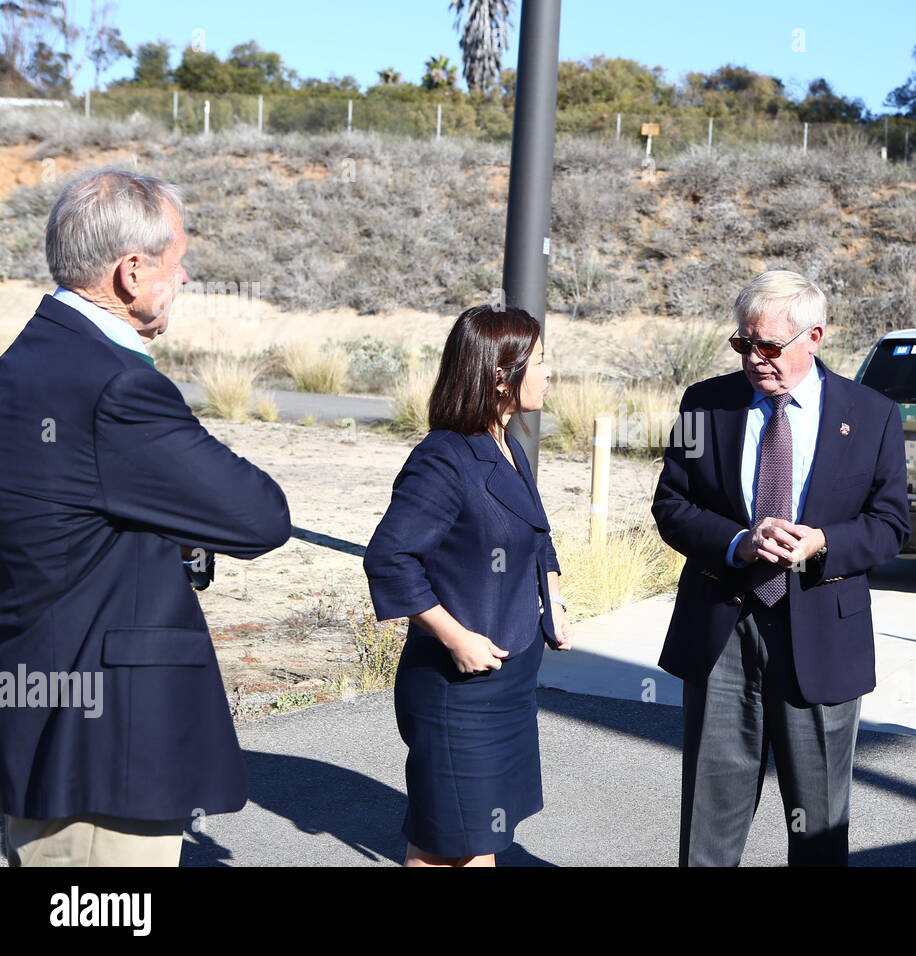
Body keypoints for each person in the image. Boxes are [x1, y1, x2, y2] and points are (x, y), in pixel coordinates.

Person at [0, 168, 292, 866]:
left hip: (35, 721)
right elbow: (259, 516)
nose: (185, 277)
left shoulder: (24, 362)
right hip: (102, 757)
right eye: (177, 261)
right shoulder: (119, 385)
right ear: (132, 272)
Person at [651, 269, 910, 866]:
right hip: (723, 633)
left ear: (813, 337)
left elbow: (892, 524)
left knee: (817, 830)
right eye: (743, 344)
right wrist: (738, 539)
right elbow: (672, 506)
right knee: (707, 827)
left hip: (820, 635)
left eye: (768, 346)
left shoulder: (872, 415)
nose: (754, 359)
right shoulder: (703, 404)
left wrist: (822, 542)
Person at [363, 305, 572, 868]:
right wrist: (456, 637)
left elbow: (536, 533)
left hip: (509, 679)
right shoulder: (443, 458)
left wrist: (553, 600)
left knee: (479, 842)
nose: (551, 374)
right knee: (444, 849)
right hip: (458, 689)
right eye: (543, 362)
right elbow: (390, 558)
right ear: (501, 374)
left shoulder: (506, 445)